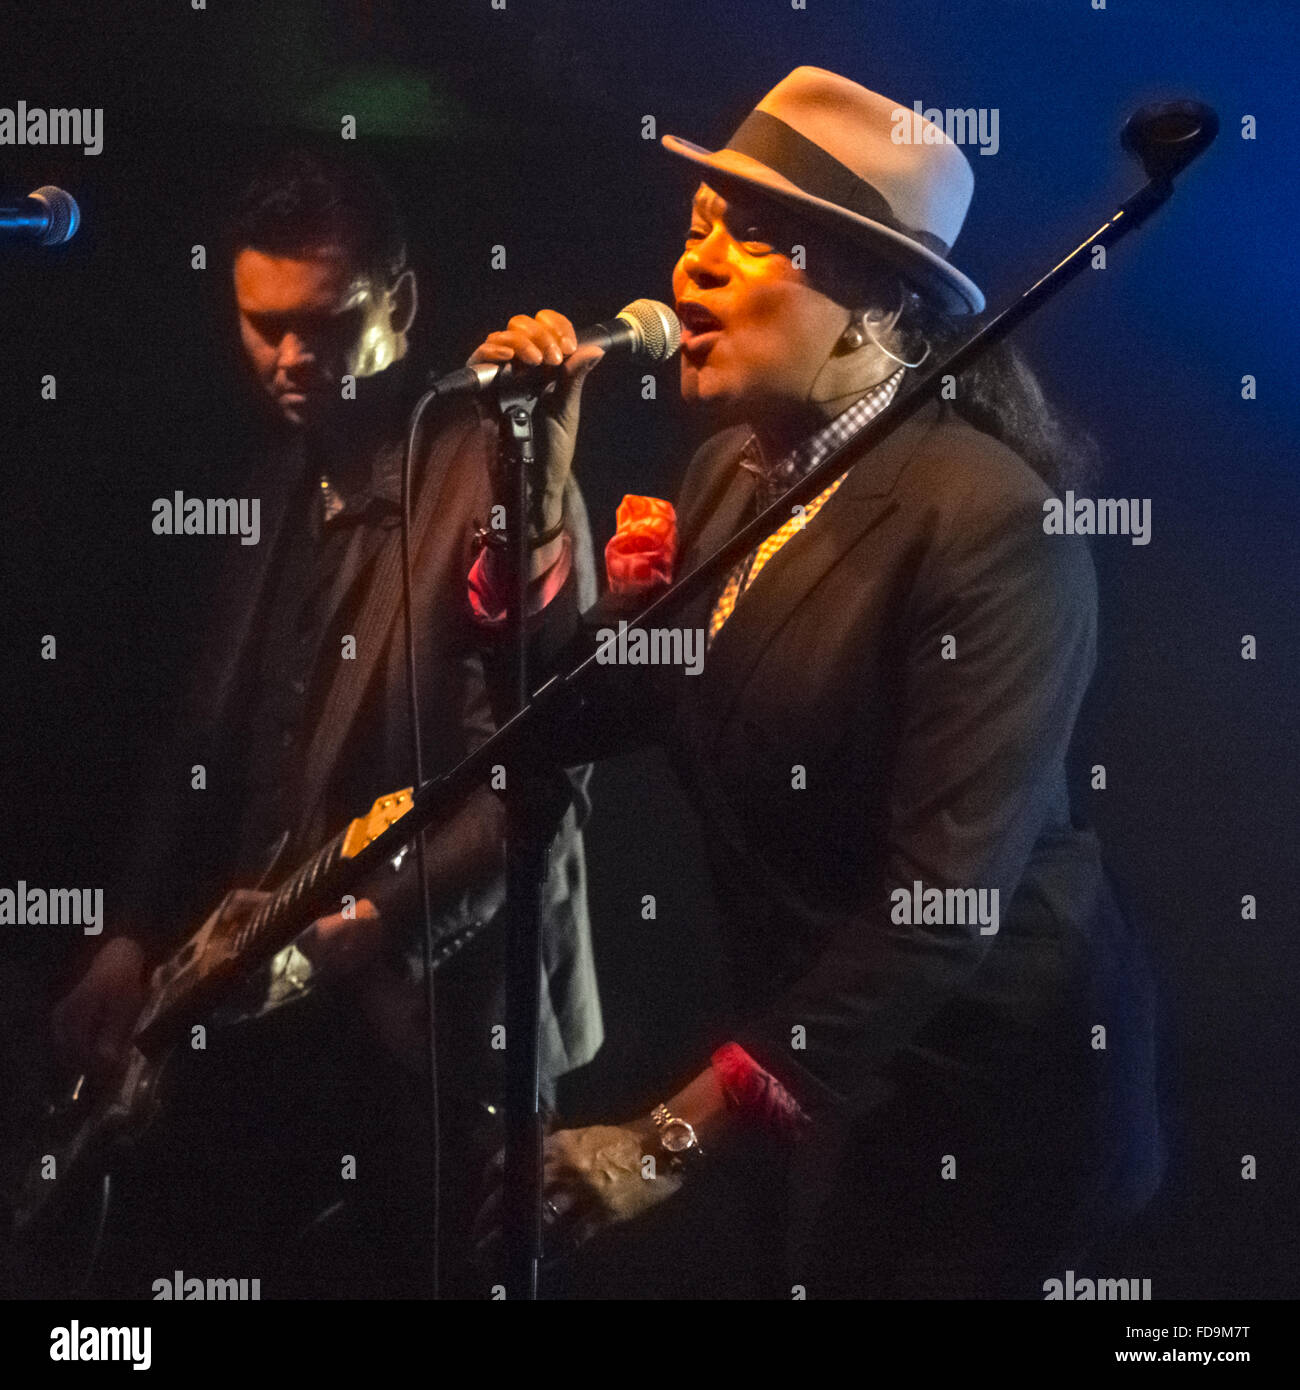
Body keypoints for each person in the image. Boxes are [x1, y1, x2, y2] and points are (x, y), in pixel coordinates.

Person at [467, 68, 1163, 1297]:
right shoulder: (731, 475)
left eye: (749, 244)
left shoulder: (988, 520)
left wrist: (665, 1137)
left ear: (874, 312)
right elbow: (562, 719)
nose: (692, 271)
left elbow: (938, 900)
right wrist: (531, 513)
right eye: (695, 233)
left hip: (986, 1097)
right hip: (819, 1073)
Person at [48, 147, 602, 1298]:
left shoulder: (503, 471)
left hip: (430, 1024)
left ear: (399, 301)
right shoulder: (269, 484)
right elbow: (201, 736)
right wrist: (130, 933)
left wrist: (363, 921)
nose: (291, 358)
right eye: (261, 324)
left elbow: (534, 784)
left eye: (327, 323)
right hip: (274, 1012)